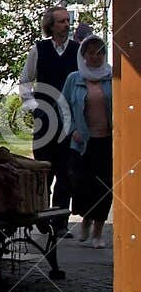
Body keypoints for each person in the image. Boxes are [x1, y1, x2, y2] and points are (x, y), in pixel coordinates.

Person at [18, 6, 79, 210]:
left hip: (68, 122)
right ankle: (42, 215)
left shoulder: (77, 50)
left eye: (68, 21)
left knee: (66, 173)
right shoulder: (39, 49)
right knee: (43, 171)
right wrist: (34, 108)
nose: (67, 25)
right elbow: (25, 80)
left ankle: (60, 220)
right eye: (62, 21)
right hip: (45, 120)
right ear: (50, 26)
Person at [62, 35, 113, 246]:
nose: (95, 57)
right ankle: (86, 220)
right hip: (82, 142)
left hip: (106, 142)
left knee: (104, 187)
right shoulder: (74, 78)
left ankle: (98, 232)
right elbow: (63, 107)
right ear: (83, 55)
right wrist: (72, 129)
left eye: (99, 52)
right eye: (91, 53)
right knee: (83, 186)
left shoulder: (112, 77)